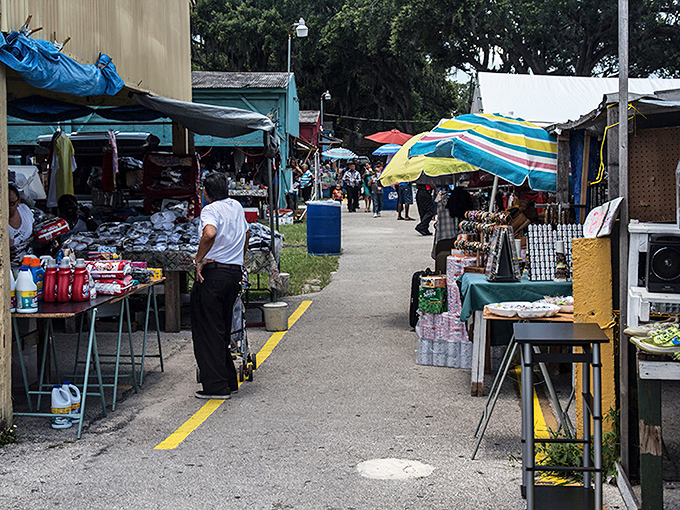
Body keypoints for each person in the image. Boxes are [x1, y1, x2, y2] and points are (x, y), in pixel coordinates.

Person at [191, 173, 250, 400]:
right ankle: (227, 378)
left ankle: (216, 386)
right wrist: (239, 259)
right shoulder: (236, 206)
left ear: (206, 192)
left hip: (213, 274)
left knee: (208, 330)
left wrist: (198, 259)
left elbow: (210, 233)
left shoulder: (210, 210)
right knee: (222, 328)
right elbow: (246, 234)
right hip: (233, 273)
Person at [8, 183, 35, 268]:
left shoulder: (25, 210)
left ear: (18, 202)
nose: (6, 207)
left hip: (28, 263)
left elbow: (34, 229)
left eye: (11, 203)